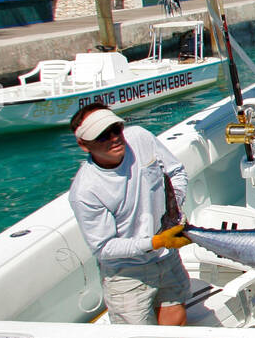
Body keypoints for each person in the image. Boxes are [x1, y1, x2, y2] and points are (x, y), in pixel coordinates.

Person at [68, 104, 193, 326]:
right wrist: (155, 241)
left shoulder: (140, 138)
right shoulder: (86, 191)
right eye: (102, 135)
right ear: (83, 145)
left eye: (116, 129)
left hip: (166, 256)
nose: (115, 138)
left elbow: (175, 172)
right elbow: (104, 248)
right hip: (127, 273)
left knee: (177, 330)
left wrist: (175, 206)